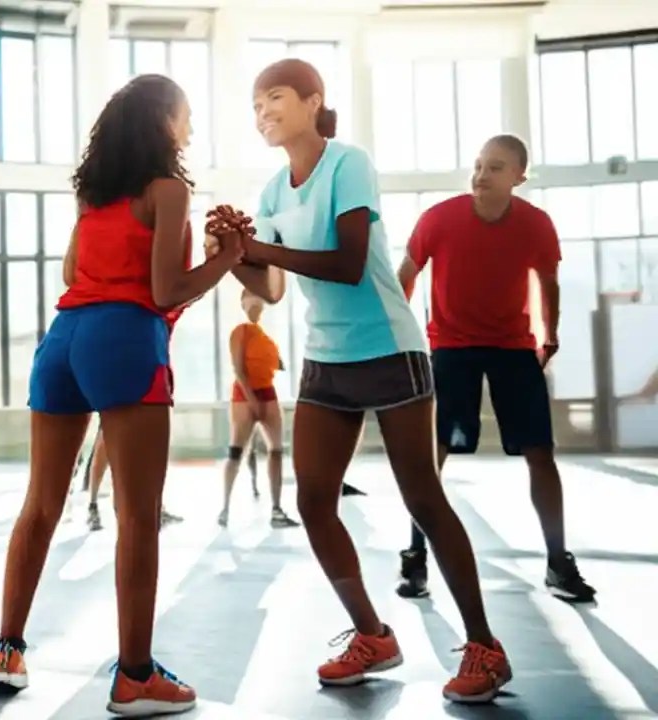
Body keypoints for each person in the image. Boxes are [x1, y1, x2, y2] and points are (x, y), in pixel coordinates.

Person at [210, 57, 509, 703]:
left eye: (276, 98)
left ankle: (486, 648)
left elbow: (347, 264)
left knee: (422, 497)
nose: (263, 112)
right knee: (315, 501)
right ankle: (371, 634)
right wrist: (234, 255)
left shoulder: (349, 163)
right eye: (256, 105)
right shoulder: (271, 192)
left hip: (388, 348)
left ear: (313, 100)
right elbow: (271, 287)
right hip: (326, 359)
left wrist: (260, 250)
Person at [0, 73, 254, 715]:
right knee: (138, 515)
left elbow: (69, 271)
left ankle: (7, 648)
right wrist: (231, 256)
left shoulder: (92, 195)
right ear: (164, 121)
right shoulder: (170, 190)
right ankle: (135, 675)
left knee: (40, 506)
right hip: (123, 339)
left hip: (65, 339)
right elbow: (166, 290)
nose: (190, 129)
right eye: (186, 117)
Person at [395, 135, 595, 603]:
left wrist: (550, 335)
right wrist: (400, 337)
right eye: (480, 165)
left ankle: (557, 562)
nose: (482, 175)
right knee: (433, 454)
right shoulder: (438, 219)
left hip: (512, 347)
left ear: (519, 178)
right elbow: (406, 273)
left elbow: (549, 283)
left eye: (496, 167)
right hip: (451, 347)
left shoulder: (536, 224)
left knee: (540, 453)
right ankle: (416, 557)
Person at [218, 288, 298, 529]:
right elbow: (238, 367)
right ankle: (225, 507)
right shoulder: (240, 331)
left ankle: (276, 508)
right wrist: (251, 398)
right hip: (245, 395)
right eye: (250, 297)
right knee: (236, 450)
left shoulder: (265, 337)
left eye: (258, 298)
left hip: (267, 391)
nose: (256, 302)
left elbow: (275, 364)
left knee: (276, 450)